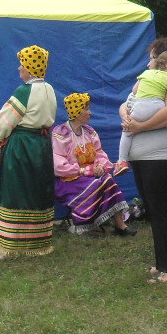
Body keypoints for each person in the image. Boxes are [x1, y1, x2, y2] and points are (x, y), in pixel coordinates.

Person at [120, 37, 167, 284]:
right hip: (141, 156)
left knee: (161, 211)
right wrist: (126, 115)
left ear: (165, 59)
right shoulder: (151, 81)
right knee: (154, 209)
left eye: (152, 56)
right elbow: (126, 103)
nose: (149, 61)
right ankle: (162, 262)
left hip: (161, 155)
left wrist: (138, 127)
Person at [0, 44, 58, 259]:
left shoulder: (25, 91)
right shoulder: (50, 89)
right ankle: (37, 241)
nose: (19, 68)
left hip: (23, 145)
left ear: (29, 67)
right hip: (42, 145)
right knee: (36, 190)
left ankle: (12, 244)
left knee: (17, 191)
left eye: (22, 64)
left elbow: (5, 120)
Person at [52, 92, 135, 237]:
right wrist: (86, 170)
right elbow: (59, 166)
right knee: (102, 183)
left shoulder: (89, 132)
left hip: (89, 178)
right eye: (86, 109)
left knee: (106, 179)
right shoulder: (61, 133)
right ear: (76, 112)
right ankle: (88, 225)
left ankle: (119, 225)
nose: (90, 113)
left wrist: (101, 167)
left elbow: (100, 154)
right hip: (68, 182)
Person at [118, 50, 167, 169]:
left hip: (139, 108)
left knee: (126, 132)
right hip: (156, 107)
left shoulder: (146, 74)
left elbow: (134, 90)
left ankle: (122, 161)